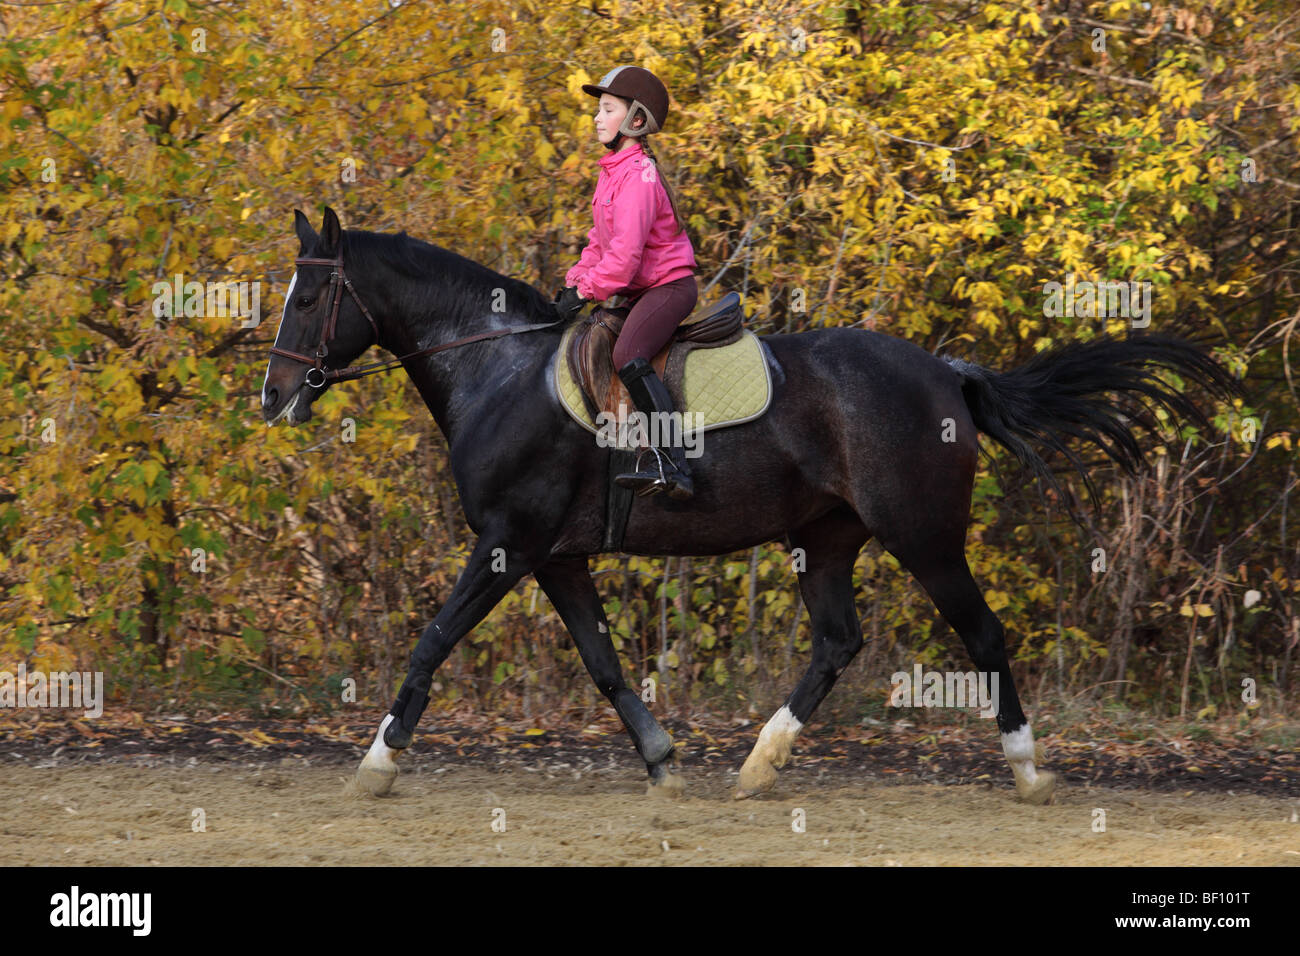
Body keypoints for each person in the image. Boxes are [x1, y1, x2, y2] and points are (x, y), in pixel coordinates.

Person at [555, 66, 699, 500]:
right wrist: (574, 281)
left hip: (669, 289)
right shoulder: (613, 172)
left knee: (627, 353)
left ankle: (671, 463)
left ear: (635, 121)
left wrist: (585, 292)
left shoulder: (638, 177)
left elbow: (625, 258)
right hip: (641, 290)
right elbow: (600, 244)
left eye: (607, 109)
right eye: (598, 110)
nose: (597, 118)